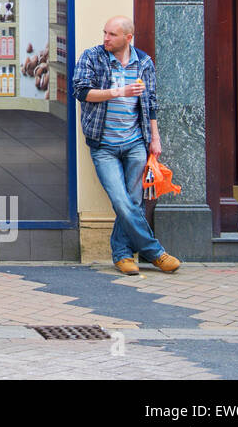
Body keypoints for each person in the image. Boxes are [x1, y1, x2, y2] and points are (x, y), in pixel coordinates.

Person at [72, 16, 180, 275]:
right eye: (105, 32)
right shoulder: (92, 57)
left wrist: (155, 137)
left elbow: (151, 102)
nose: (106, 38)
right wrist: (117, 92)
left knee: (133, 200)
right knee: (121, 201)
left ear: (127, 38)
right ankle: (155, 252)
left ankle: (122, 256)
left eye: (112, 34)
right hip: (104, 144)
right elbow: (81, 91)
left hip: (135, 144)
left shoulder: (143, 63)